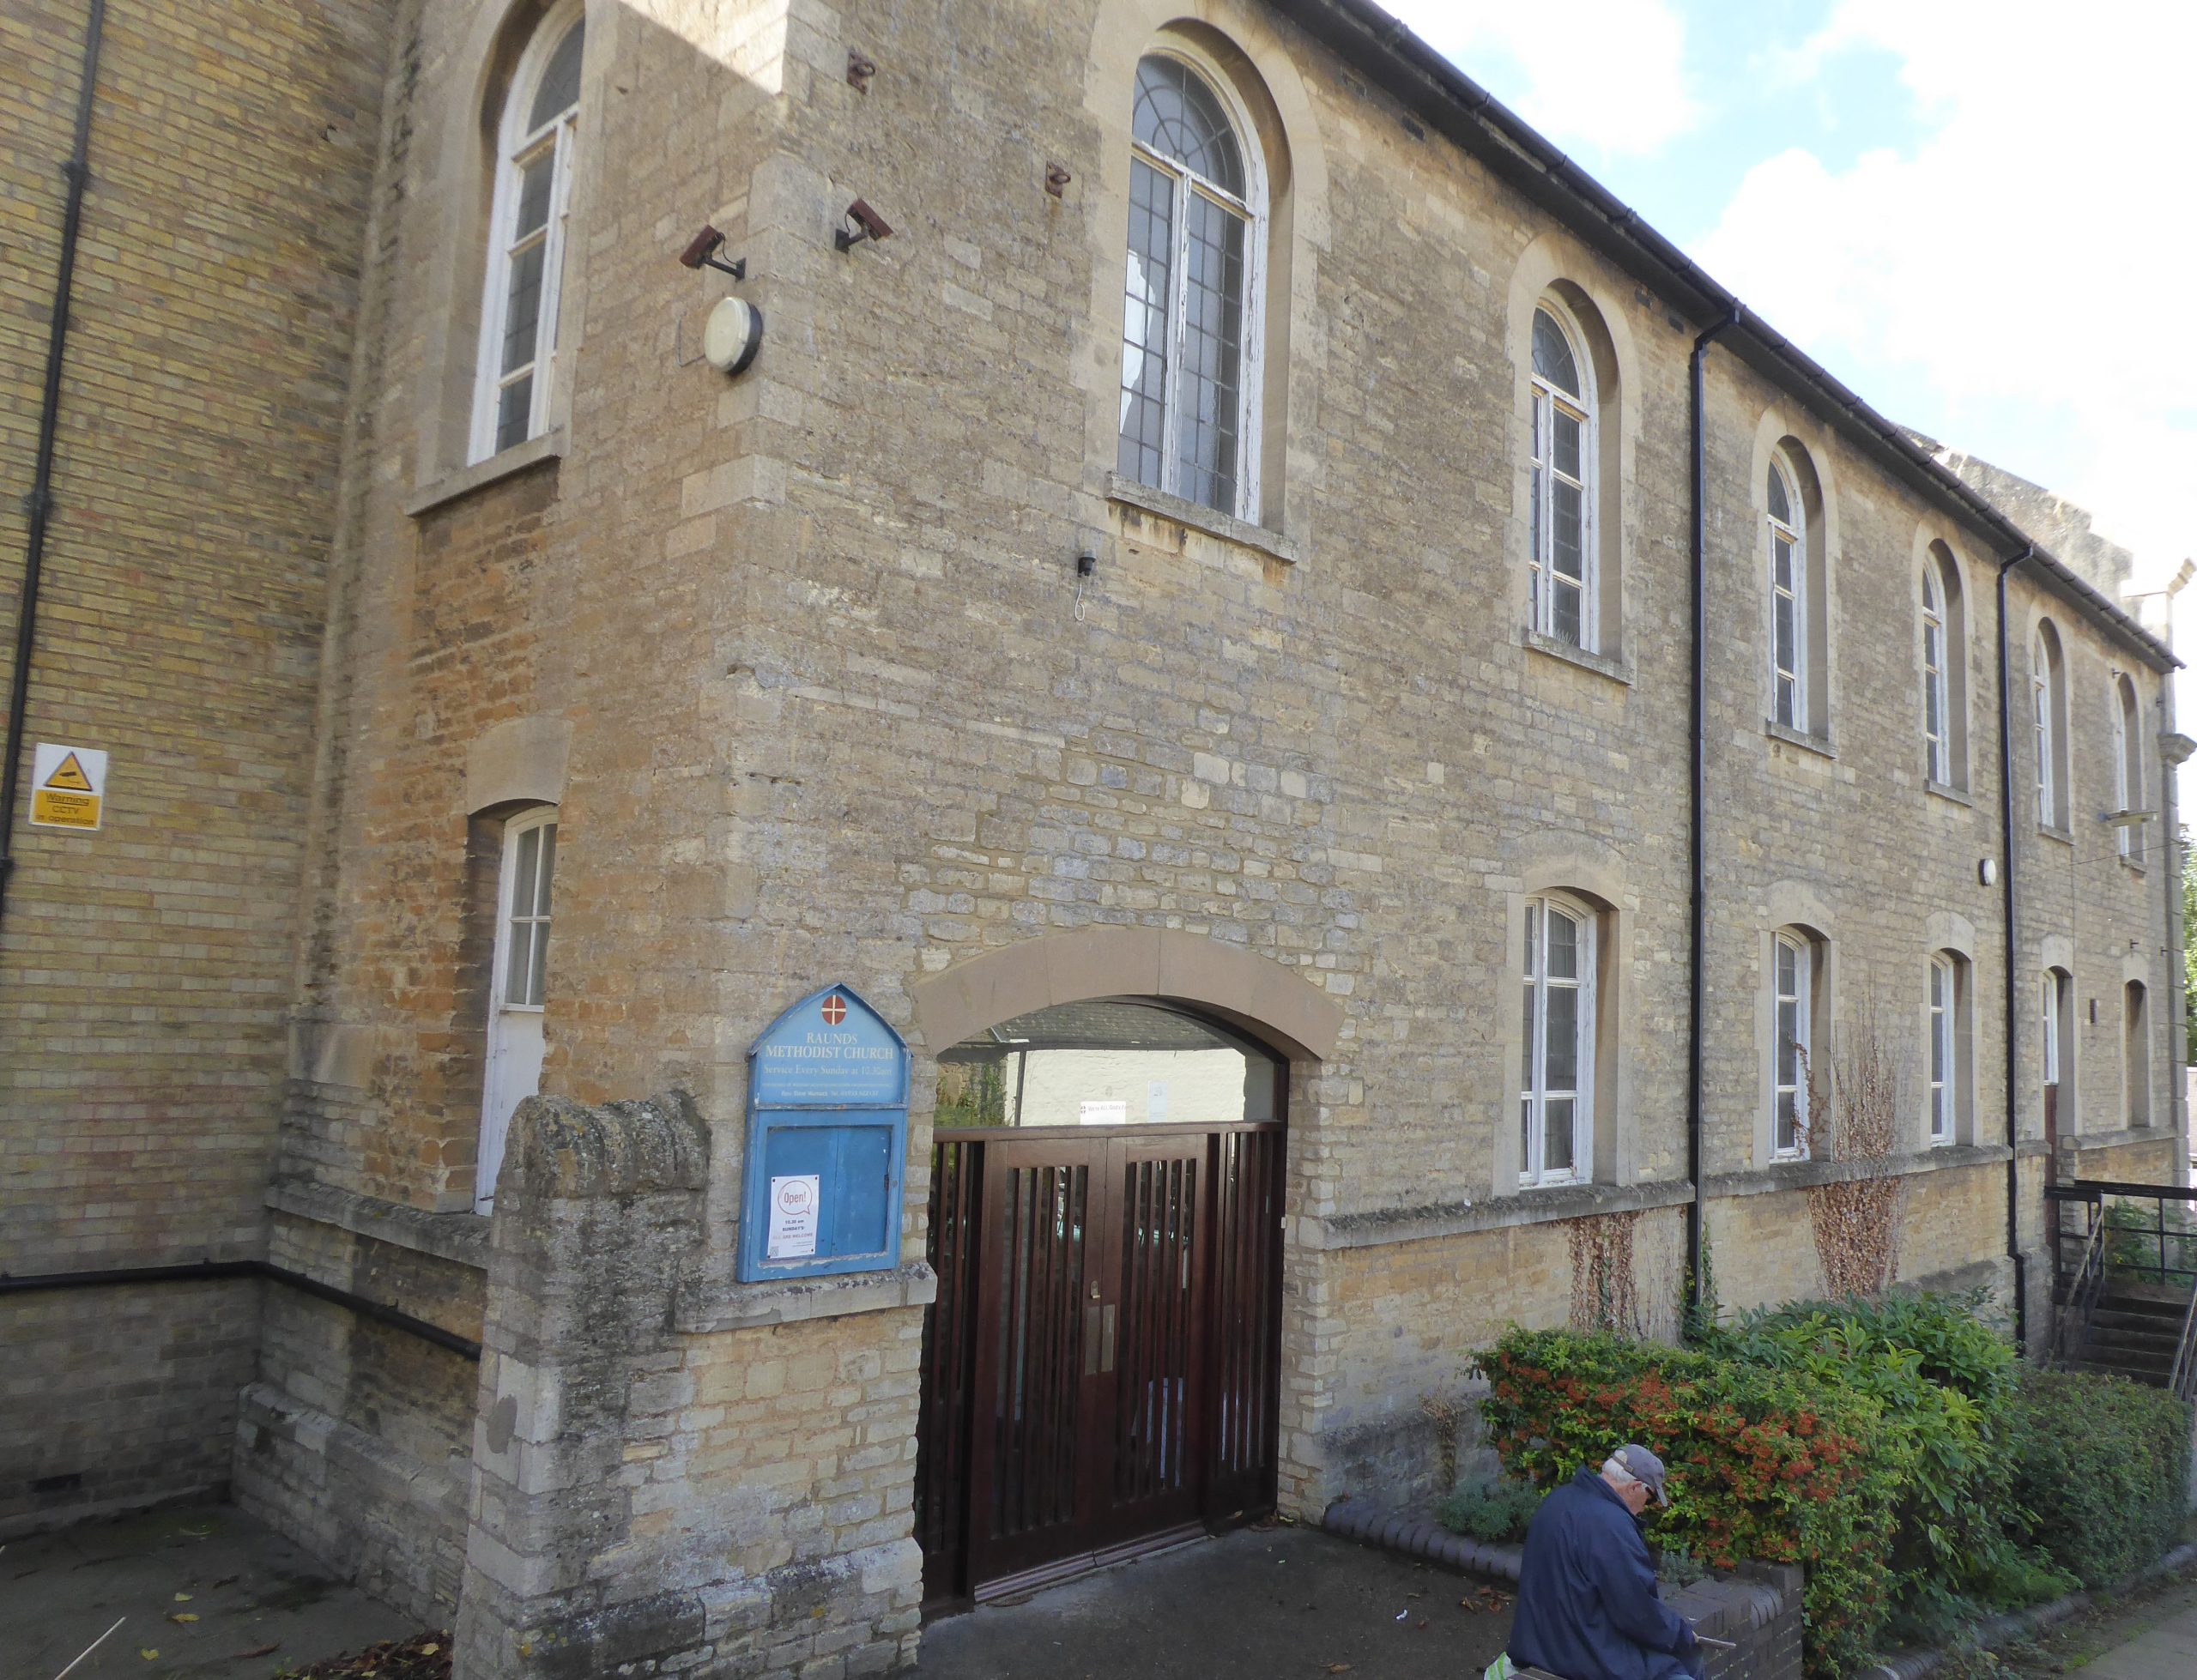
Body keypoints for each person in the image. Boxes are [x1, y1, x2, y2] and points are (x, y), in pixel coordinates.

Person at [1503, 1443, 1704, 1680]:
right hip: (1583, 1655)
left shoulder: (1558, 1500)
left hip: (1536, 1643)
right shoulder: (1612, 1525)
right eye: (1649, 1499)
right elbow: (1635, 1611)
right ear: (1635, 1487)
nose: (1644, 1509)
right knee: (1686, 1662)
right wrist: (1681, 1633)